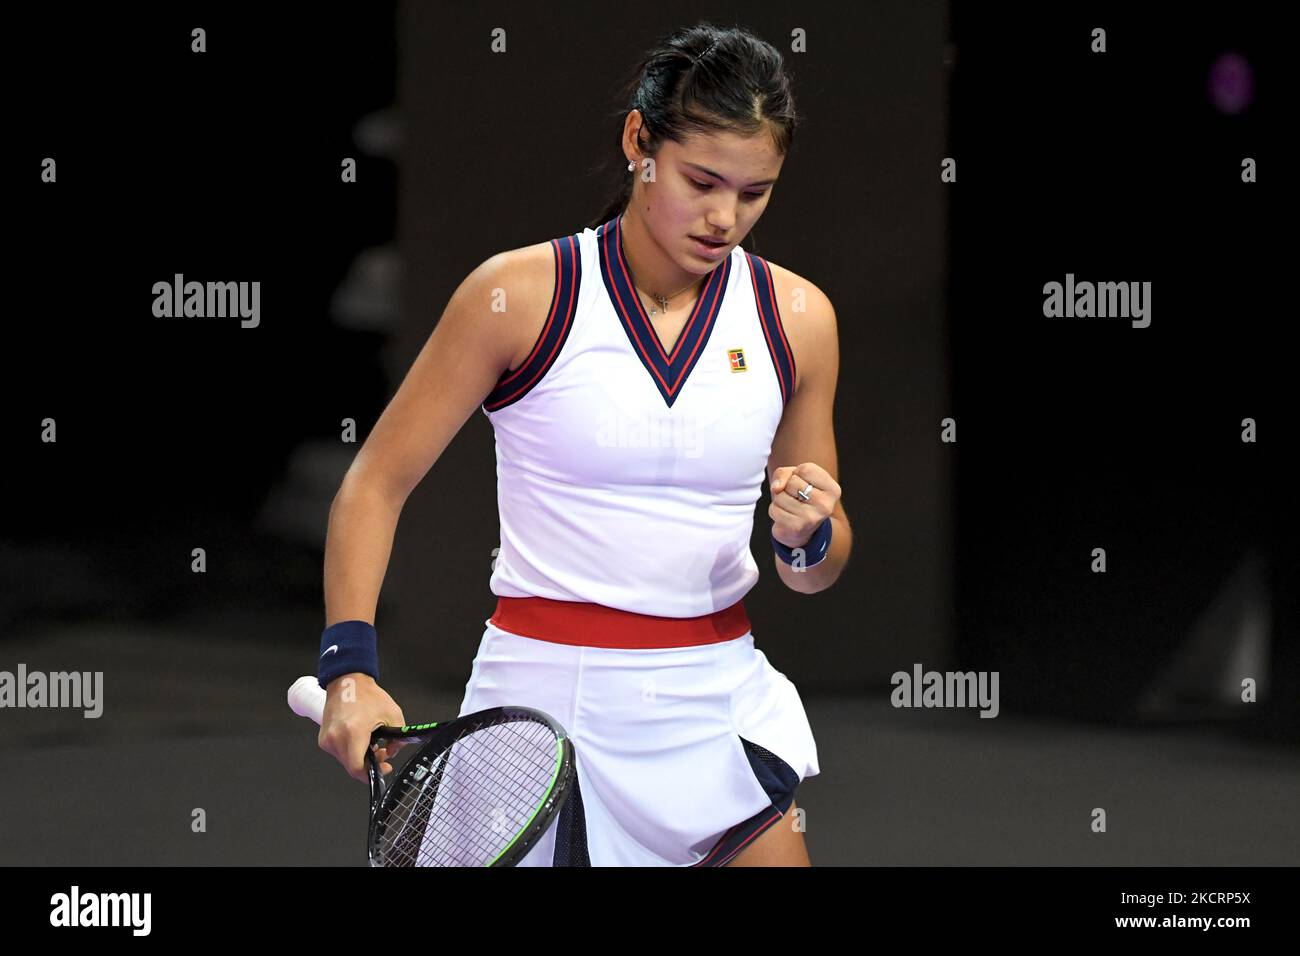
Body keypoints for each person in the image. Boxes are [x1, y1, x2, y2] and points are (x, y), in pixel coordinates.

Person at [314, 21, 851, 866]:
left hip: (718, 704)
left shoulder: (799, 319)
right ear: (640, 141)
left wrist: (809, 534)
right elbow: (375, 483)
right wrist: (350, 668)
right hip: (539, 716)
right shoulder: (518, 296)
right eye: (702, 180)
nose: (724, 218)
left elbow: (816, 570)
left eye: (755, 193)